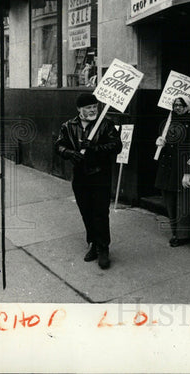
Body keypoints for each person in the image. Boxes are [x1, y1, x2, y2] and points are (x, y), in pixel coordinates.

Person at [55, 93, 122, 269]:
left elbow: (117, 145)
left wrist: (94, 149)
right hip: (80, 175)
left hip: (100, 174)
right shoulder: (68, 126)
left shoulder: (105, 124)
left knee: (100, 212)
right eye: (88, 108)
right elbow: (59, 145)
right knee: (86, 211)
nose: (93, 110)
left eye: (94, 106)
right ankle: (92, 243)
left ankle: (103, 248)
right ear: (79, 109)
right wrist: (70, 153)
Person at [154, 96, 190, 247]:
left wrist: (188, 172)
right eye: (175, 105)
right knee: (169, 200)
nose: (177, 107)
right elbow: (167, 144)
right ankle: (175, 232)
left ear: (187, 107)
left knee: (181, 203)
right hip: (167, 167)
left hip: (181, 168)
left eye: (181, 105)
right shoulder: (168, 123)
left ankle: (183, 235)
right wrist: (161, 142)